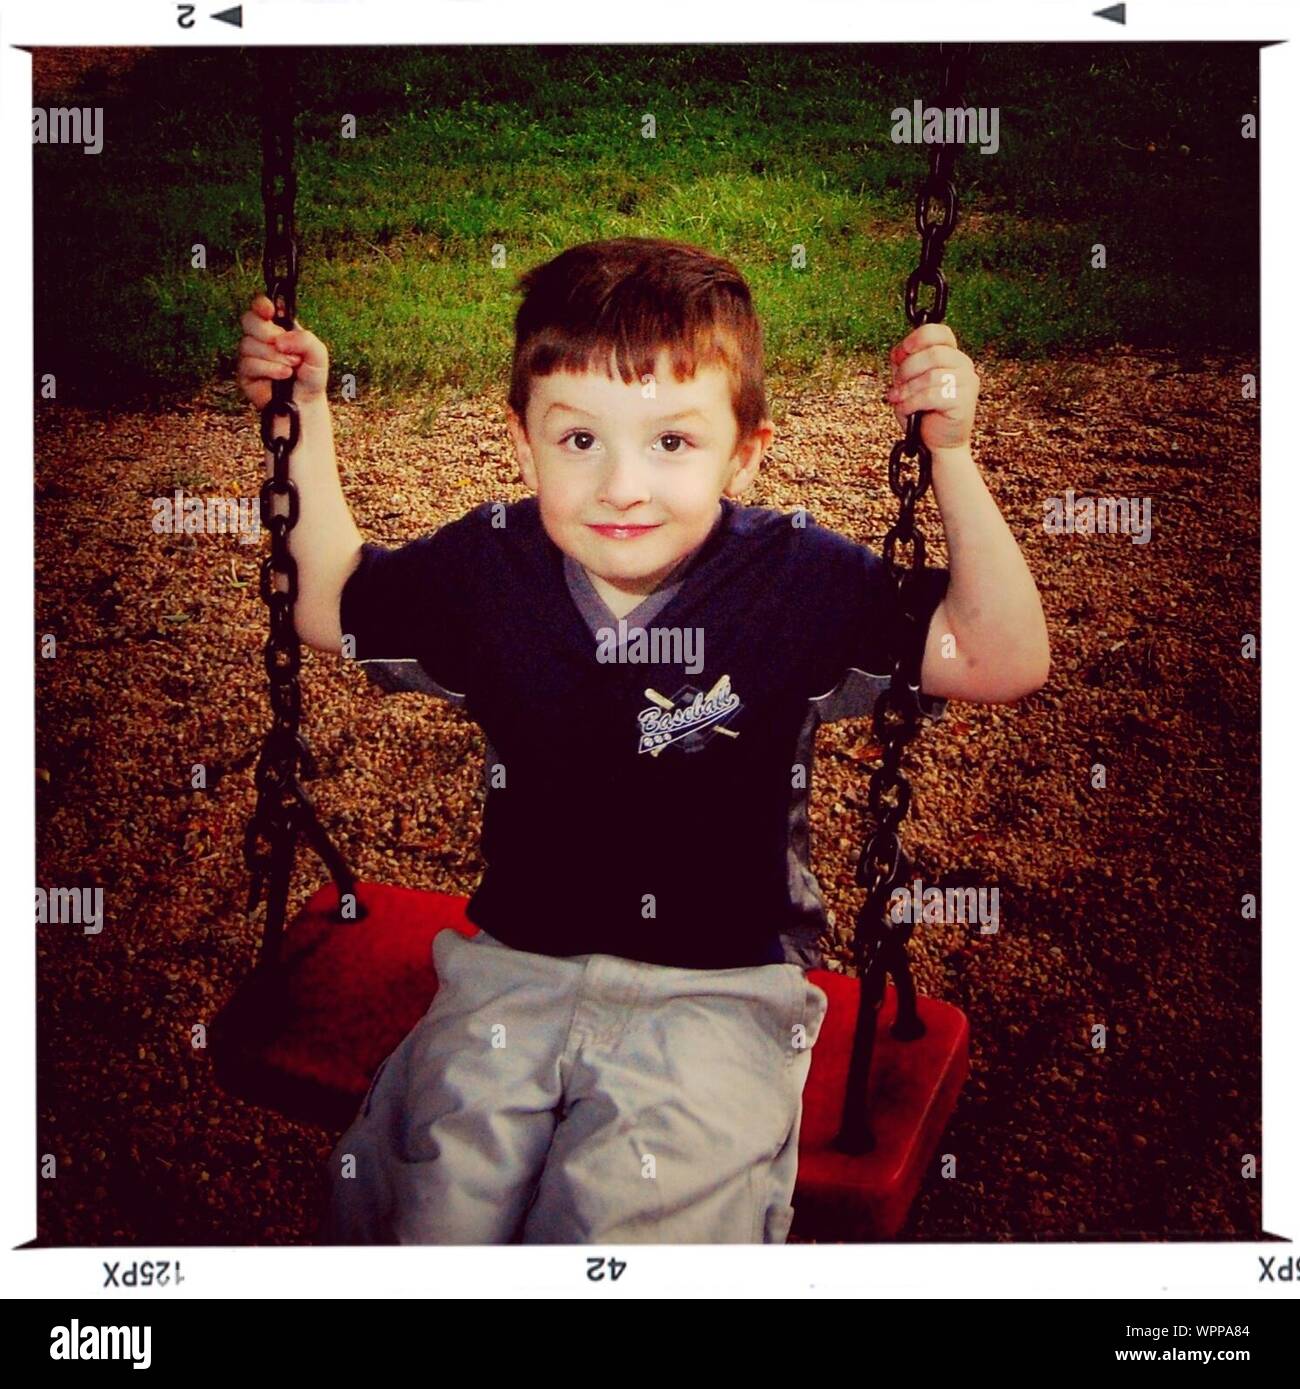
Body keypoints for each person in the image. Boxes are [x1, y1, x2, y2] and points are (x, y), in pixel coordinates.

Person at [236, 236, 1050, 1244]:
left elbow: (999, 657)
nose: (622, 487)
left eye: (672, 442)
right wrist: (300, 414)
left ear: (745, 451)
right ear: (522, 439)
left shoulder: (792, 583)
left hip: (719, 993)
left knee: (626, 1222)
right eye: (580, 441)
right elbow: (327, 603)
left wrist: (951, 457)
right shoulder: (492, 571)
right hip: (514, 968)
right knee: (433, 1211)